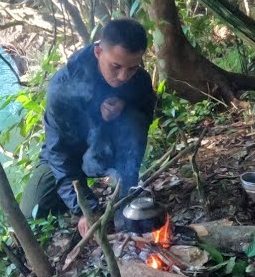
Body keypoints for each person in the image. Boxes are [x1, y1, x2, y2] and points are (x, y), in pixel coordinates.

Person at [20, 18, 156, 235]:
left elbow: (147, 108)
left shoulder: (138, 78)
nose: (123, 76)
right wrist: (85, 207)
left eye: (131, 68)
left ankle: (125, 191)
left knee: (134, 121)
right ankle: (74, 196)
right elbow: (58, 152)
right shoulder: (63, 86)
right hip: (69, 153)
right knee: (31, 215)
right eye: (116, 66)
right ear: (98, 52)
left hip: (109, 148)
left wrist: (124, 103)